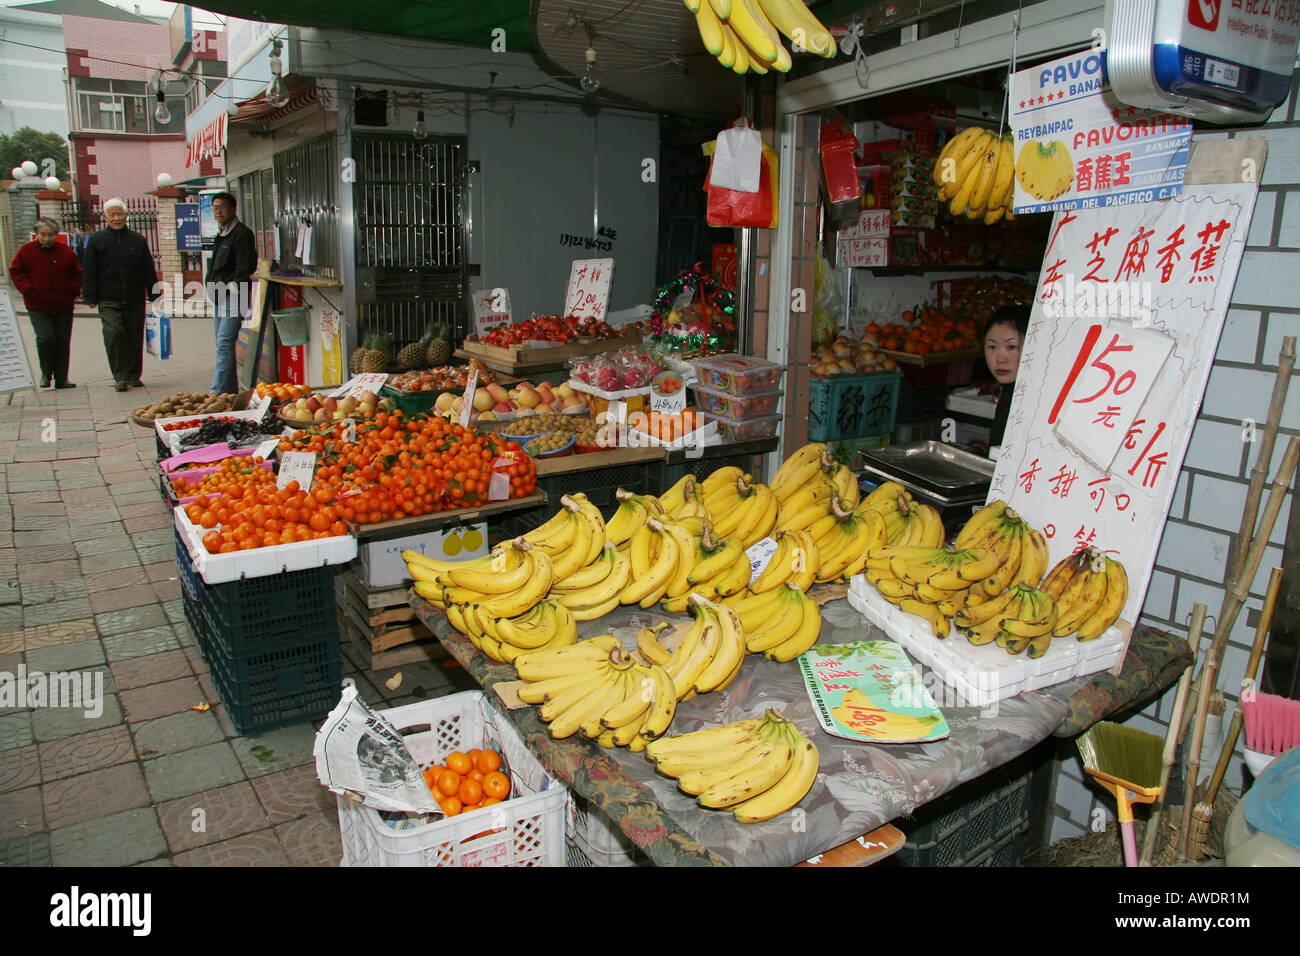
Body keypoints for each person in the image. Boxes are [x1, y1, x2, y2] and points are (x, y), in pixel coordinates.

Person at [81, 199, 158, 392]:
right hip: (108, 298)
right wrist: (90, 296)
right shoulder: (97, 240)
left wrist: (154, 292)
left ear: (126, 215)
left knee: (134, 335)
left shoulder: (137, 240)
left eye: (120, 214)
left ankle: (133, 375)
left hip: (134, 297)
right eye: (112, 215)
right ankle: (120, 376)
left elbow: (147, 267)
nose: (117, 218)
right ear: (106, 217)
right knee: (114, 333)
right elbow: (89, 269)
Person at [8, 218, 82, 389]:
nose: (46, 238)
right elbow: (16, 272)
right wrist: (28, 290)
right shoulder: (26, 251)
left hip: (63, 304)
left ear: (56, 235)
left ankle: (62, 378)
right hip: (37, 304)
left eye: (50, 235)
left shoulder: (66, 252)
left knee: (62, 341)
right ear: (36, 234)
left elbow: (77, 274)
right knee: (46, 338)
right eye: (43, 235)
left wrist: (73, 290)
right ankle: (46, 373)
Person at [207, 191, 258, 395]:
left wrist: (231, 289)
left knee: (224, 343)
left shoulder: (241, 233)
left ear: (233, 209)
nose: (218, 211)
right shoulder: (221, 234)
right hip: (219, 296)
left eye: (222, 207)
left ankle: (217, 391)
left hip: (233, 297)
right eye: (215, 208)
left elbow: (244, 267)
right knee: (222, 344)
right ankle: (229, 391)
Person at [982, 304, 1030, 451]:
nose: (1000, 358)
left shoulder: (1036, 401)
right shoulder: (1009, 392)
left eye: (1011, 347)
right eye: (992, 347)